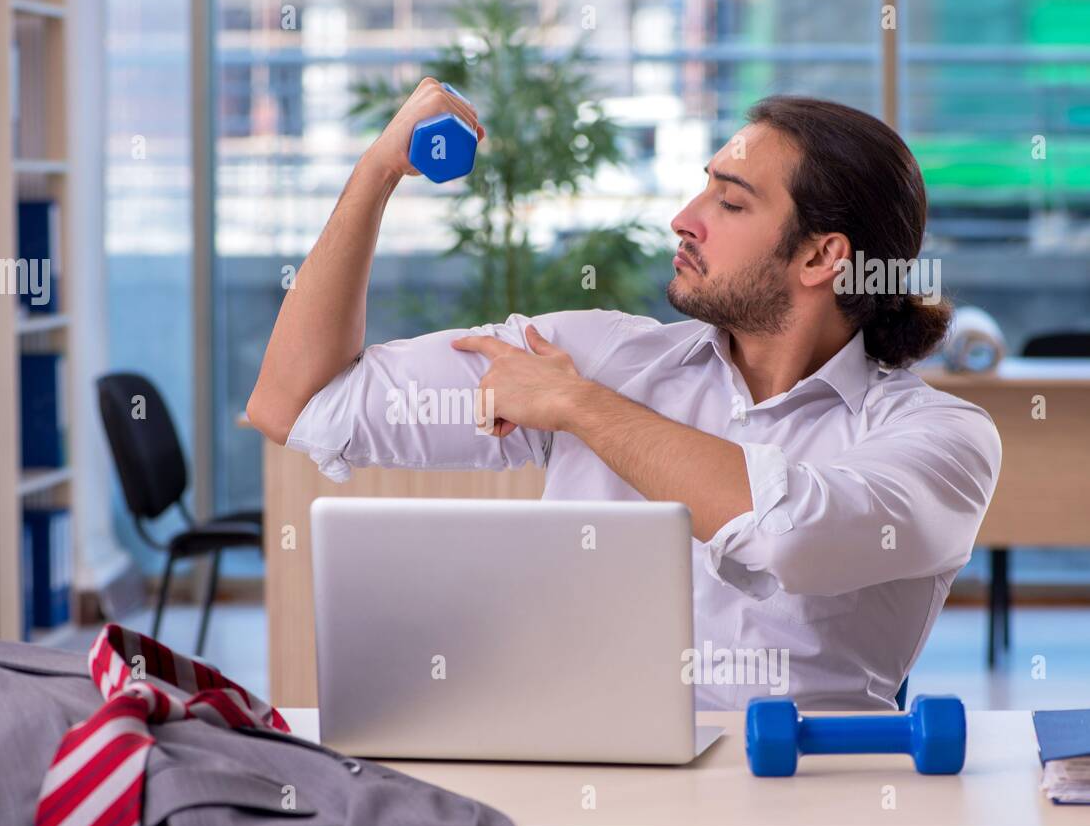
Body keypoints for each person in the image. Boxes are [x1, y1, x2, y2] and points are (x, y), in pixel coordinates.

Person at [247, 78, 1001, 709]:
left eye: (730, 204)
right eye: (703, 188)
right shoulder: (599, 354)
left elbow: (787, 533)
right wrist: (377, 171)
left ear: (820, 256)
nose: (685, 219)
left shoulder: (942, 439)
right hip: (582, 776)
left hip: (799, 797)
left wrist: (579, 406)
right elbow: (300, 404)